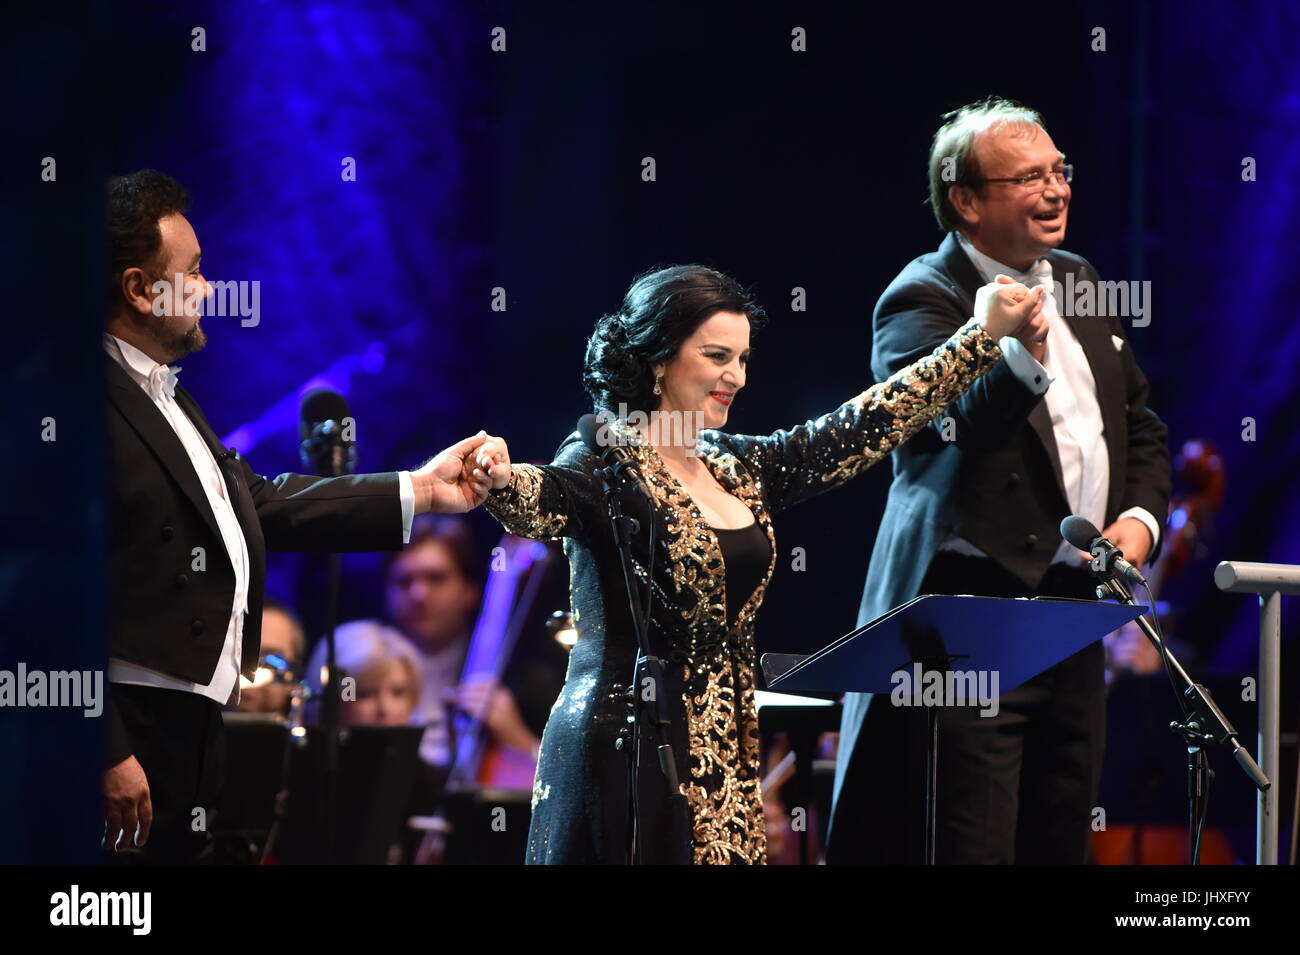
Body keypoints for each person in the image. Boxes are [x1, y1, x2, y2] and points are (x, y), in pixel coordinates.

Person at [463, 263, 1045, 863]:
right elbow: (546, 497)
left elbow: (858, 427)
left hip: (730, 757)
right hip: (626, 751)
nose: (736, 376)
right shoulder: (606, 457)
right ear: (659, 358)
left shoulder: (734, 464)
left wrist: (978, 338)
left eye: (742, 359)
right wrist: (500, 478)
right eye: (717, 356)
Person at [101, 169, 499, 862]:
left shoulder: (168, 397)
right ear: (139, 289)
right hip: (132, 728)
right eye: (191, 272)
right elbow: (37, 600)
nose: (208, 289)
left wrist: (422, 490)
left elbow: (259, 501)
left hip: (193, 726)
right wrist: (101, 748)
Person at [828, 97, 1172, 864]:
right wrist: (1006, 344)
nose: (1056, 190)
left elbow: (1141, 426)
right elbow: (955, 433)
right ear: (967, 200)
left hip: (1075, 614)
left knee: (1060, 837)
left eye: (1060, 171)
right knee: (974, 844)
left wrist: (1140, 521)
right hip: (971, 625)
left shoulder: (1079, 278)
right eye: (1029, 178)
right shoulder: (922, 298)